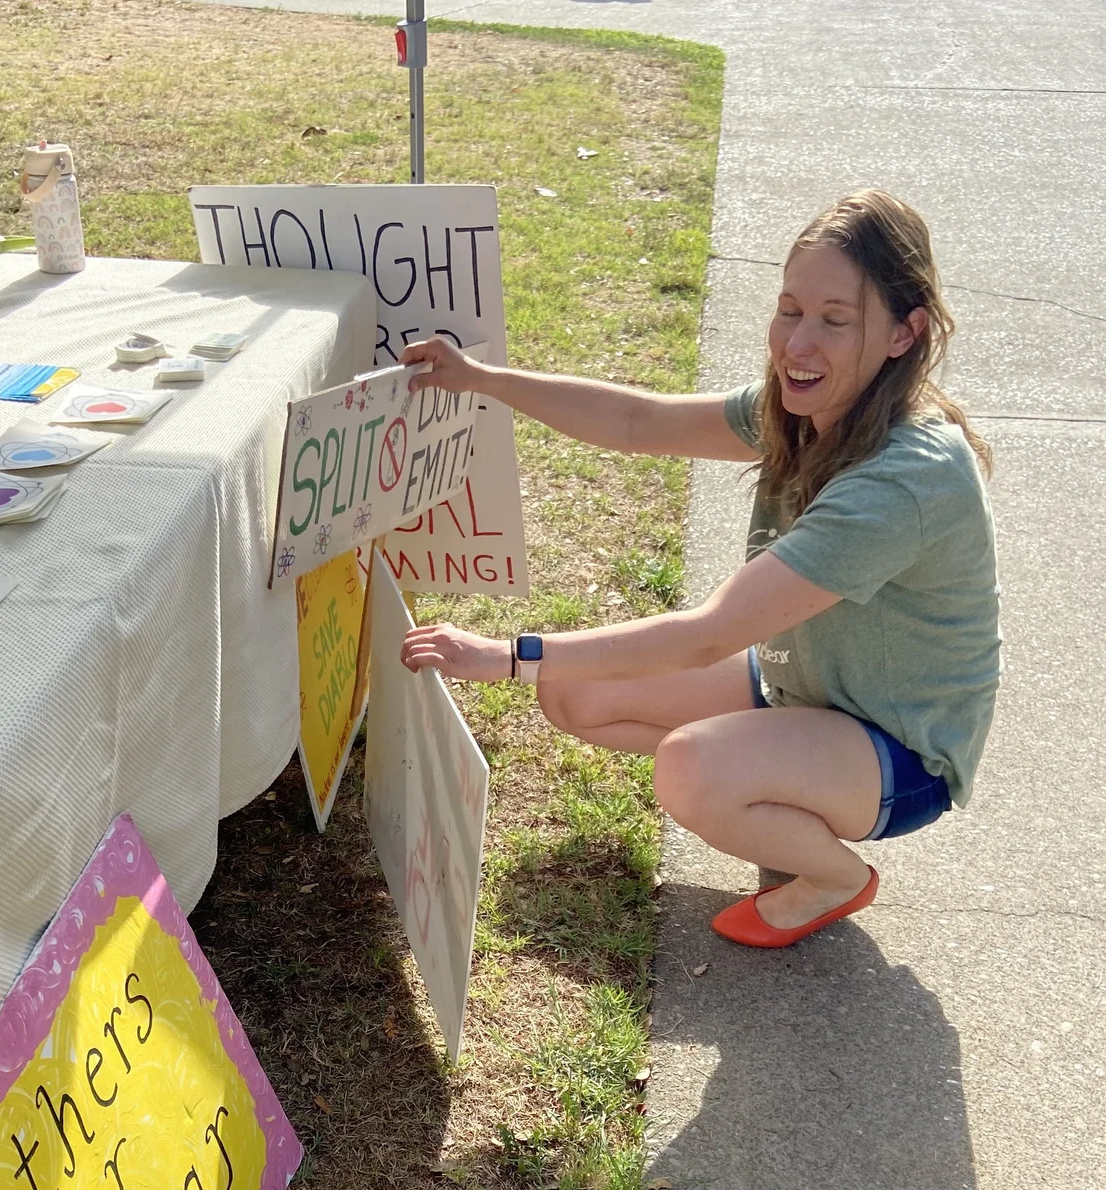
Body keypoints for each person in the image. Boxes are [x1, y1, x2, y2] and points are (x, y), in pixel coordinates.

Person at [398, 189, 999, 948]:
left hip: (902, 746)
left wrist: (504, 656)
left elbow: (708, 635)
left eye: (835, 321)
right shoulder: (801, 407)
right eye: (789, 309)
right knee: (576, 691)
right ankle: (779, 785)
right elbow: (636, 421)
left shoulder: (905, 477)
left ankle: (834, 876)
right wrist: (480, 378)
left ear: (904, 335)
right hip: (805, 684)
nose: (796, 345)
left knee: (688, 770)